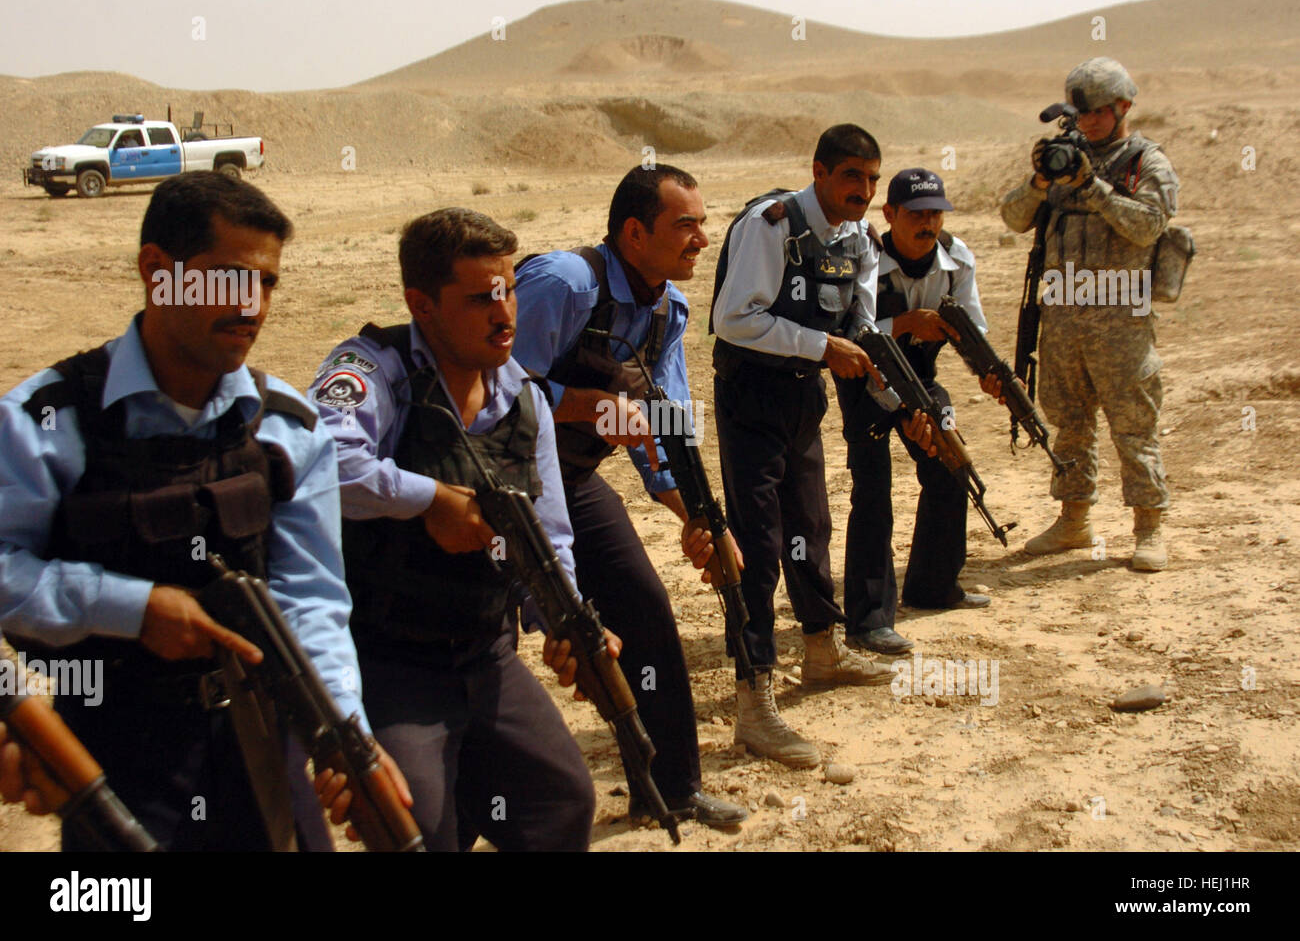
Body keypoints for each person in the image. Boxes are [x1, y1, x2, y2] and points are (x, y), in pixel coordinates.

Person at [0, 171, 407, 850]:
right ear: (157, 272)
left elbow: (311, 602)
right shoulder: (47, 419)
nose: (251, 305)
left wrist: (344, 734)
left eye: (268, 284)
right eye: (229, 279)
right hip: (111, 753)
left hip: (261, 745)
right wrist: (128, 609)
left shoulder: (290, 430)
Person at [309, 208, 599, 851]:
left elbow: (549, 534)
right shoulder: (373, 370)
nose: (505, 316)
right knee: (416, 828)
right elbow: (322, 459)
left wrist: (563, 619)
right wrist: (427, 499)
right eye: (480, 300)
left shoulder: (522, 397)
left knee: (562, 803)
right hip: (390, 661)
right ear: (422, 304)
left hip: (487, 652)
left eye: (509, 292)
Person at [511, 165, 748, 828]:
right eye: (686, 225)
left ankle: (670, 788)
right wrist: (577, 403)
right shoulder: (561, 284)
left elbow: (662, 425)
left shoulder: (667, 308)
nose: (702, 238)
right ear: (635, 233)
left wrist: (703, 519)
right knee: (505, 639)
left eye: (704, 224)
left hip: (573, 483)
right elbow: (490, 388)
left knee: (643, 606)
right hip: (492, 487)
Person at [711, 124, 930, 769]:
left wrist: (905, 403)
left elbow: (860, 325)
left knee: (811, 524)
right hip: (752, 397)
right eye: (850, 177)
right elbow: (733, 318)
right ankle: (755, 703)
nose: (863, 190)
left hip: (804, 398)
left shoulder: (857, 239)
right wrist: (821, 347)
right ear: (820, 172)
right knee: (758, 544)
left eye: (871, 177)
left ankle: (822, 653)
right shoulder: (773, 225)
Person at [1000, 57, 1178, 571]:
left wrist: (1094, 190)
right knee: (1070, 424)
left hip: (1121, 317)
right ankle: (1073, 520)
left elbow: (1147, 226)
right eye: (1081, 113)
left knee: (1133, 424)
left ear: (1124, 106)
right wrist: (1039, 183)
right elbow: (1013, 218)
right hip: (1063, 317)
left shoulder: (1146, 162)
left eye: (1100, 112)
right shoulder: (1062, 160)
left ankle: (1149, 526)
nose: (1090, 121)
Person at [836, 168, 1002, 656]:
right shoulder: (865, 260)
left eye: (935, 213)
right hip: (865, 381)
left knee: (950, 460)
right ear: (890, 215)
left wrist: (987, 372)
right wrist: (906, 322)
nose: (928, 223)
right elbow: (852, 328)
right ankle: (868, 621)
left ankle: (934, 585)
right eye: (916, 214)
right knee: (873, 489)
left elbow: (970, 327)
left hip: (922, 381)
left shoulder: (955, 258)